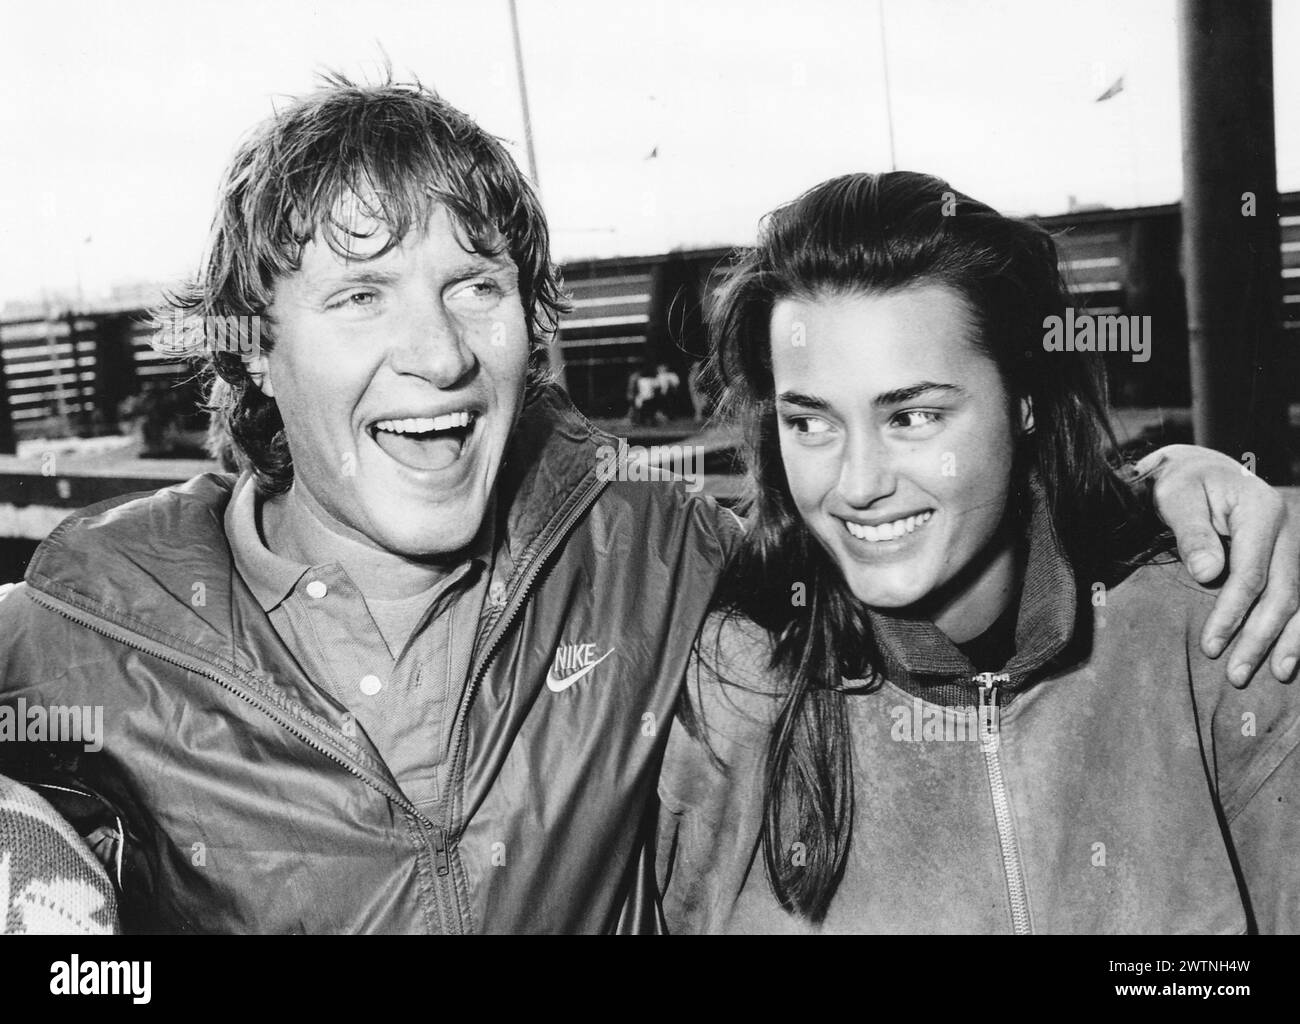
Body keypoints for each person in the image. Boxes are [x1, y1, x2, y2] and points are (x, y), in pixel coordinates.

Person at [0, 76, 1293, 934]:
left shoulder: (653, 557)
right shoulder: (84, 626)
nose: (436, 354)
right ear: (251, 357)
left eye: (476, 287)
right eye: (356, 297)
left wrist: (1173, 496)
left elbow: (895, 535)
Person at [655, 172, 1300, 934]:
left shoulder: (1215, 629)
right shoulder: (730, 690)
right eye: (811, 423)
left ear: (1024, 399)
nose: (857, 485)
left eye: (915, 416)